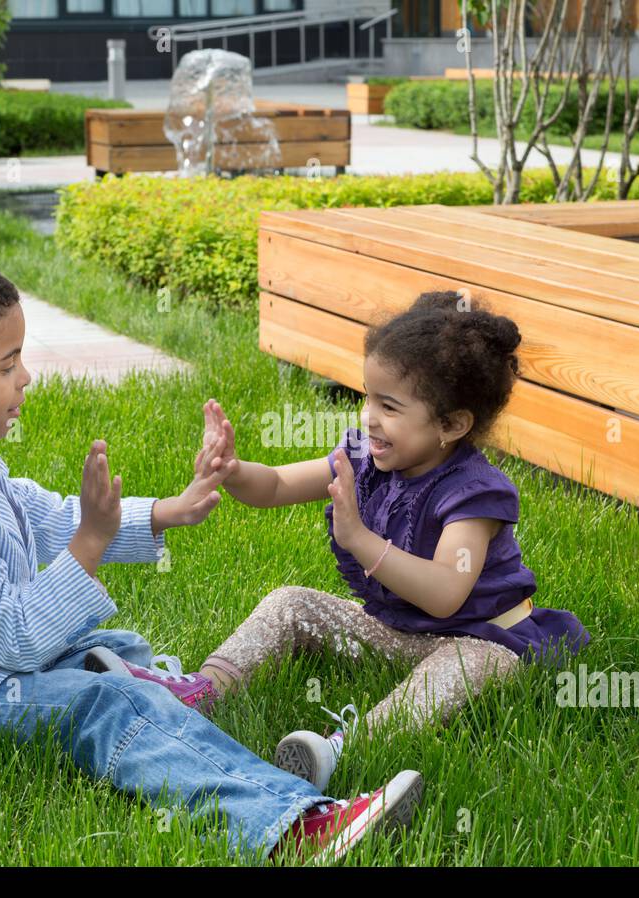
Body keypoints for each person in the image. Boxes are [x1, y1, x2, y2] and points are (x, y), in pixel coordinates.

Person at [0, 252, 423, 863]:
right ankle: (295, 825)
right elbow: (18, 640)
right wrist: (91, 541)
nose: (25, 376)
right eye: (7, 364)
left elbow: (40, 517)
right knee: (103, 706)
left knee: (117, 648)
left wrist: (165, 511)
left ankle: (164, 710)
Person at [194, 291, 593, 792]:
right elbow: (275, 484)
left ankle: (344, 746)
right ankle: (203, 690)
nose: (368, 417)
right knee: (290, 602)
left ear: (452, 424)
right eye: (366, 396)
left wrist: (360, 540)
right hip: (393, 630)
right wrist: (231, 471)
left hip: (474, 638)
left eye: (389, 406)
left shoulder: (473, 495)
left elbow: (446, 593)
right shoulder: (364, 454)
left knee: (478, 666)